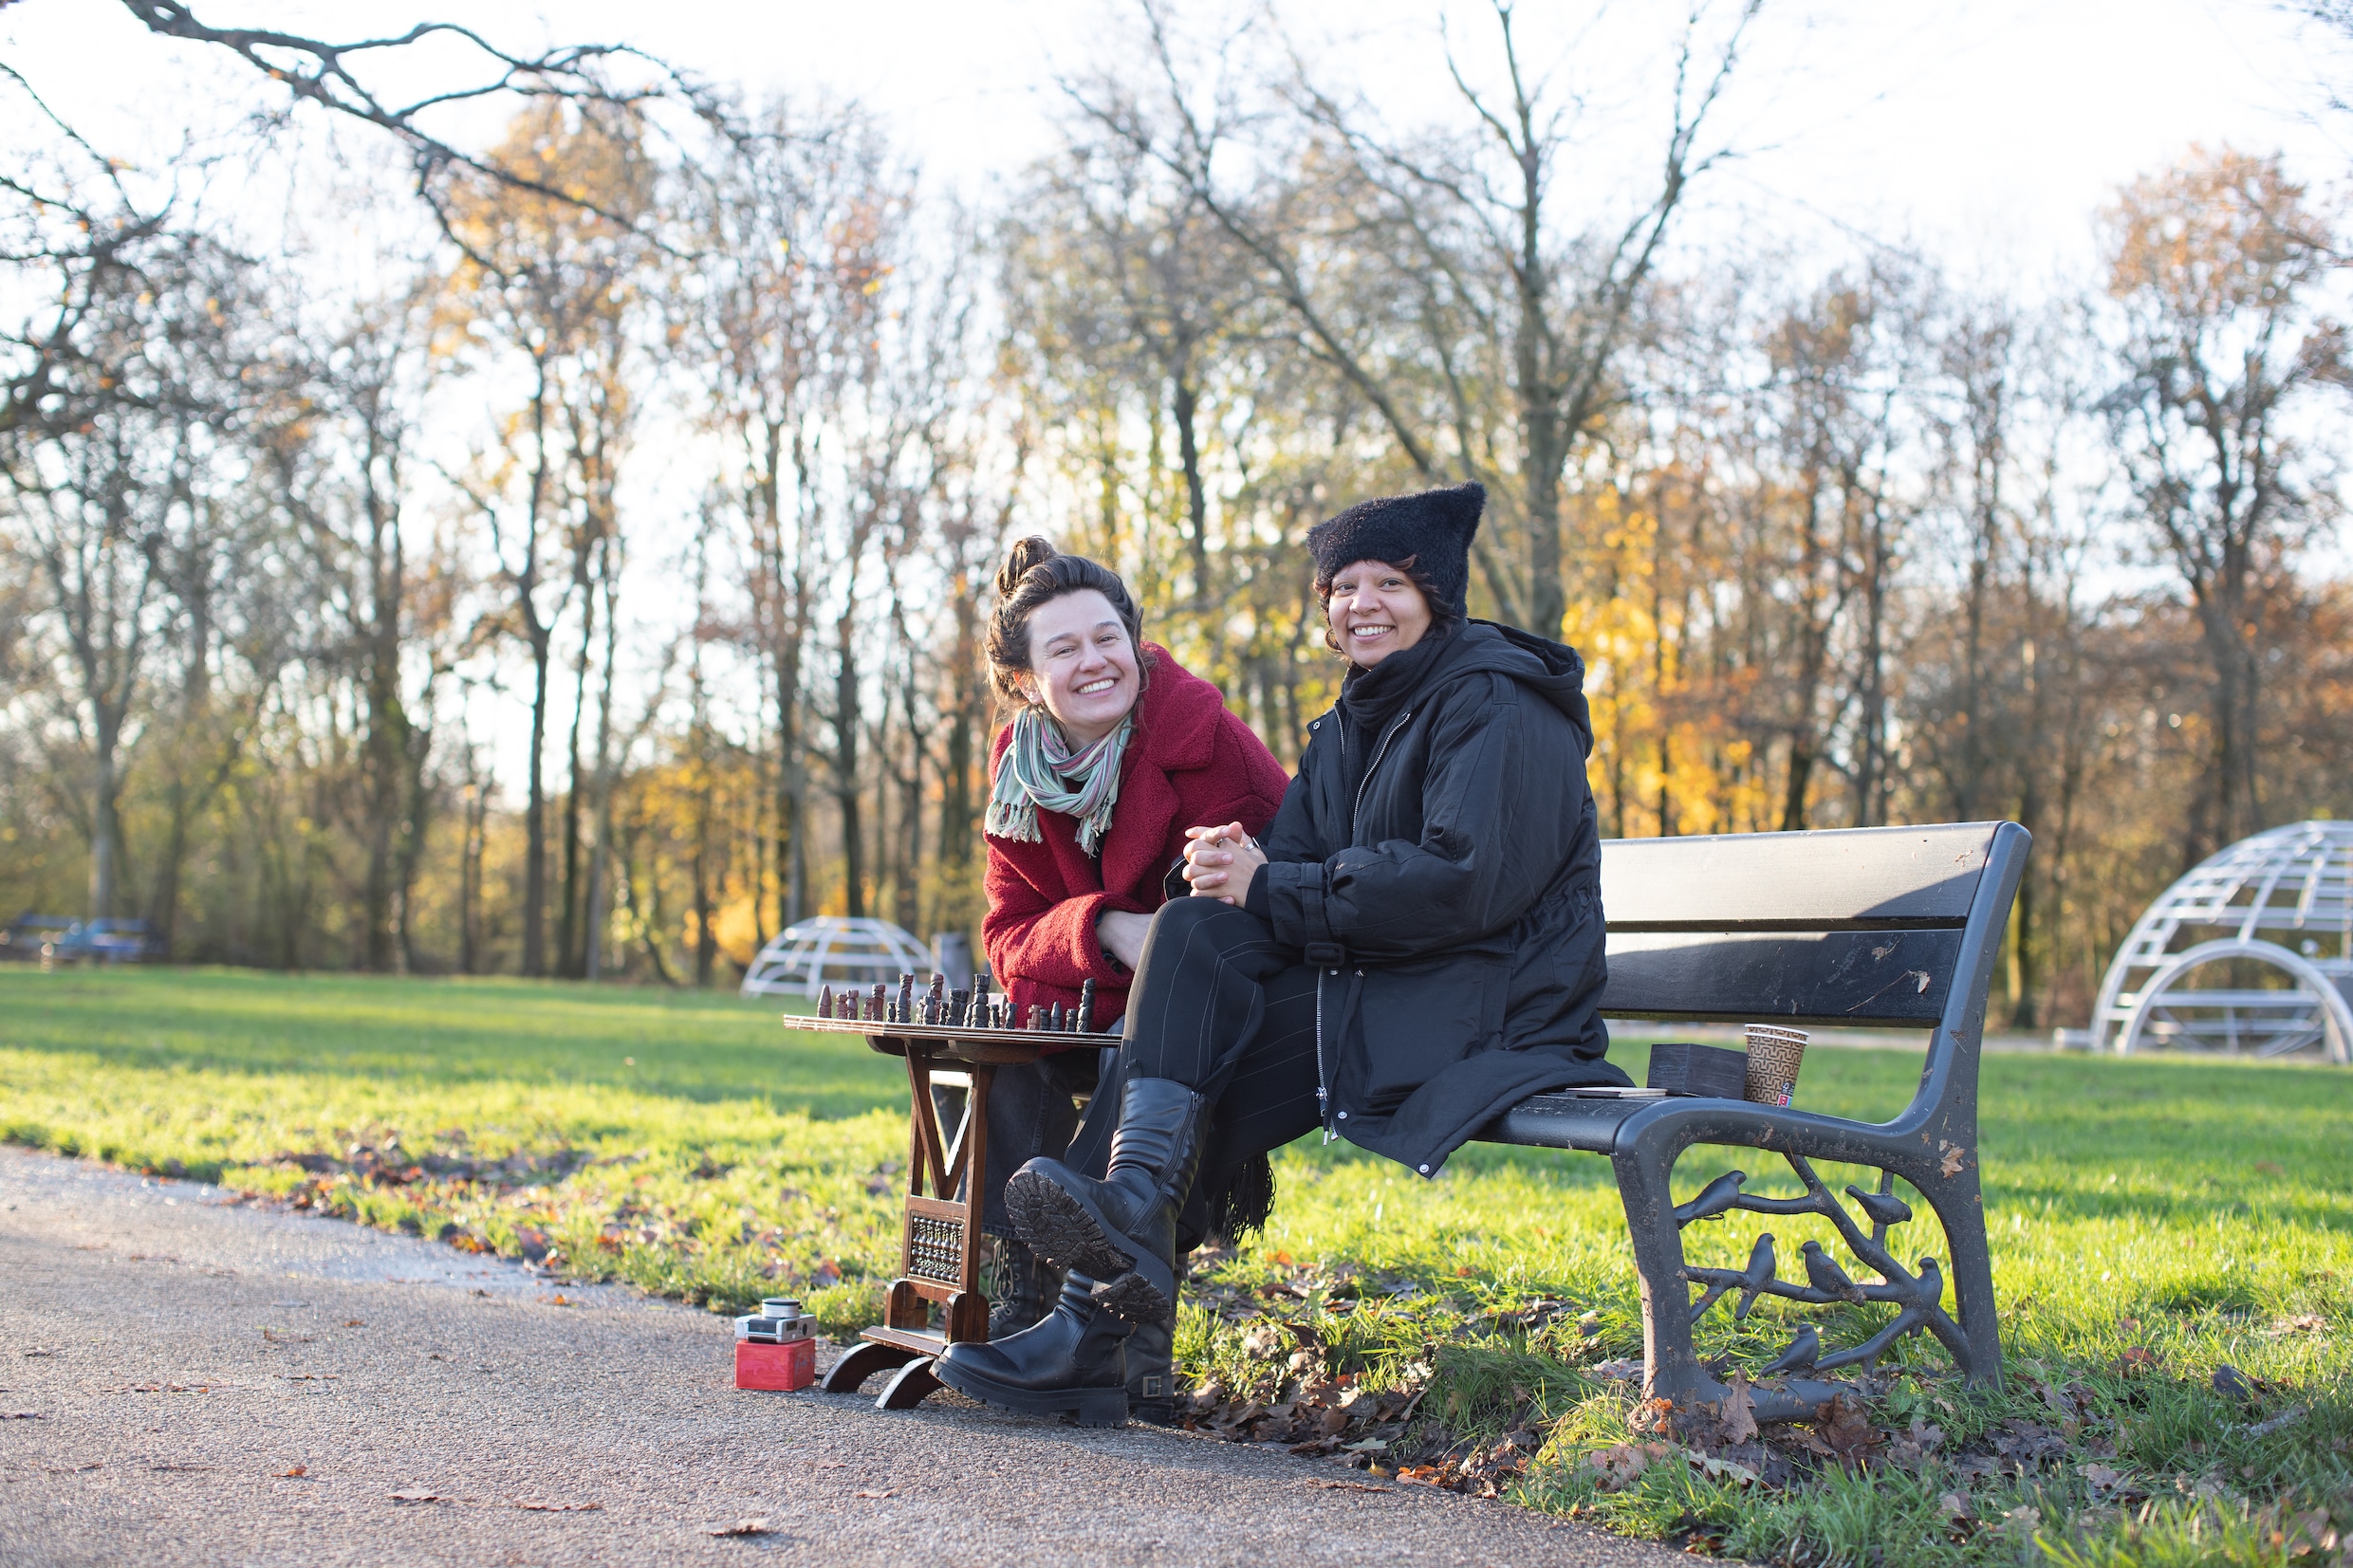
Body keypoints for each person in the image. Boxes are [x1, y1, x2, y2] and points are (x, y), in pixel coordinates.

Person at [936, 482, 1625, 1425]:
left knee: (1176, 1056)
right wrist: (1231, 874)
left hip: (1489, 1004)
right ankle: (1121, 1235)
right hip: (1388, 987)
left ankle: (1085, 1326)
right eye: (1341, 587)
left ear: (1436, 594)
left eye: (1387, 582)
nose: (1360, 604)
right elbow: (1287, 866)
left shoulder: (1497, 705)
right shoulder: (1353, 722)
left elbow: (1461, 883)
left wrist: (1269, 884)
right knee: (1189, 938)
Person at [969, 537, 1291, 1417]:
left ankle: (1121, 1352)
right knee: (1003, 1055)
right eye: (1062, 648)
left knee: (1130, 1060)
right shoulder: (1018, 772)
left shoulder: (1206, 741)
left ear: (1134, 642)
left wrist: (1188, 927)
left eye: (1106, 638)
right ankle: (1020, 1305)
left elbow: (1286, 899)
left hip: (1205, 1021)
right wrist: (1106, 928)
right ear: (1027, 679)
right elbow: (1007, 934)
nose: (1092, 661)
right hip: (1090, 1003)